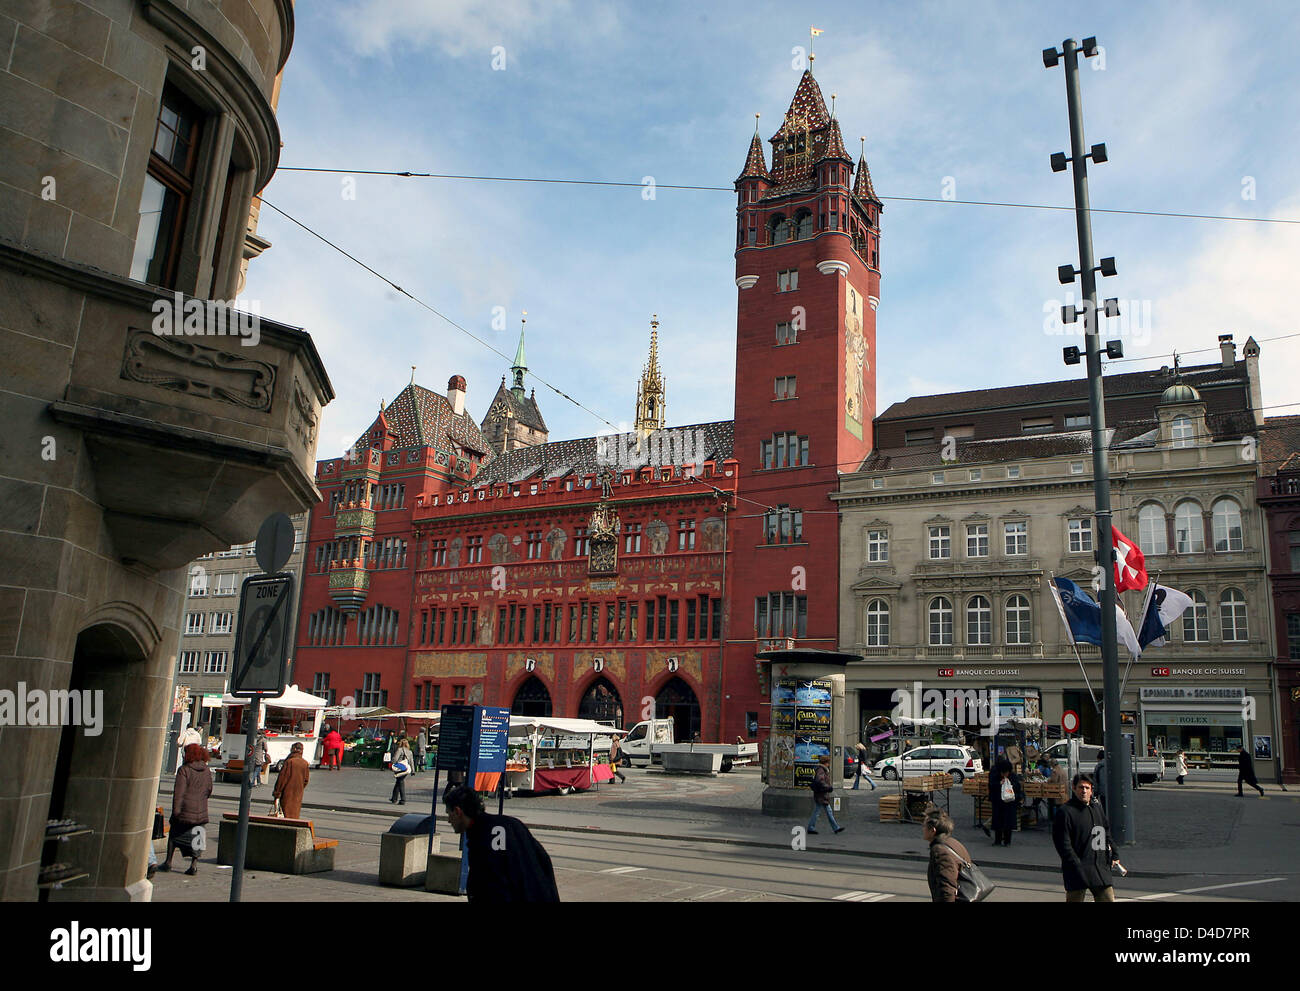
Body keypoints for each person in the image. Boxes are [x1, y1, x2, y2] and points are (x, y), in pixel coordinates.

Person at [444, 784, 560, 902]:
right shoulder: (511, 823)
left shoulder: (481, 837)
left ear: (458, 812)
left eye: (449, 813)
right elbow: (544, 860)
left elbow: (494, 884)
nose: (448, 820)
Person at [1052, 773, 1118, 902]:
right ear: (1074, 788)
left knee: (1107, 898)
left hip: (1099, 867)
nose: (1084, 791)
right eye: (1081, 787)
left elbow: (1105, 832)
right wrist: (1075, 863)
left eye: (1087, 788)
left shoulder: (1097, 808)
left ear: (1092, 790)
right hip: (1077, 869)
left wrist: (1114, 853)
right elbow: (1063, 844)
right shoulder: (1066, 812)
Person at [161, 743, 211, 875]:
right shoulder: (206, 769)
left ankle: (168, 862)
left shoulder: (184, 770)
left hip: (185, 810)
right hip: (201, 810)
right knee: (198, 835)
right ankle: (194, 865)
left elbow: (179, 792)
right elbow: (209, 789)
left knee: (174, 835)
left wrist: (176, 812)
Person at [924, 809, 973, 903]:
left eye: (924, 826)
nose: (923, 829)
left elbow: (947, 887)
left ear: (933, 831)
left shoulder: (940, 851)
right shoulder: (953, 843)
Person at [988, 758, 1023, 846]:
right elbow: (991, 786)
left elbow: (1017, 787)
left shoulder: (1013, 776)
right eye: (1003, 772)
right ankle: (998, 840)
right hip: (998, 802)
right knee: (998, 821)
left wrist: (1010, 785)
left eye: (1006, 772)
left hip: (1009, 803)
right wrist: (999, 783)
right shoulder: (995, 775)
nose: (1004, 774)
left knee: (1008, 822)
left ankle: (1007, 841)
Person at [806, 755, 844, 835]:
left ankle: (835, 827)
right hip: (821, 794)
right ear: (825, 763)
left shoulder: (820, 769)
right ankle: (812, 827)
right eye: (828, 763)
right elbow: (820, 781)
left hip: (821, 794)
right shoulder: (821, 770)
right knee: (819, 811)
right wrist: (828, 787)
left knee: (821, 811)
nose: (829, 764)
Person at [273, 741, 311, 818]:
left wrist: (277, 792)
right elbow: (306, 780)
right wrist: (300, 787)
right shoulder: (305, 763)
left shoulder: (289, 762)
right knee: (295, 813)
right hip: (298, 793)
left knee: (285, 813)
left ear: (294, 749)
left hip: (287, 792)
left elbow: (282, 779)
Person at [390, 736, 413, 805]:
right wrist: (413, 770)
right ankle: (394, 798)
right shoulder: (410, 752)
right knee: (398, 782)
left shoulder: (399, 750)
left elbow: (395, 759)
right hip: (406, 769)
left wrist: (392, 763)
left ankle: (403, 799)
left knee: (400, 783)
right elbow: (412, 762)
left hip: (400, 768)